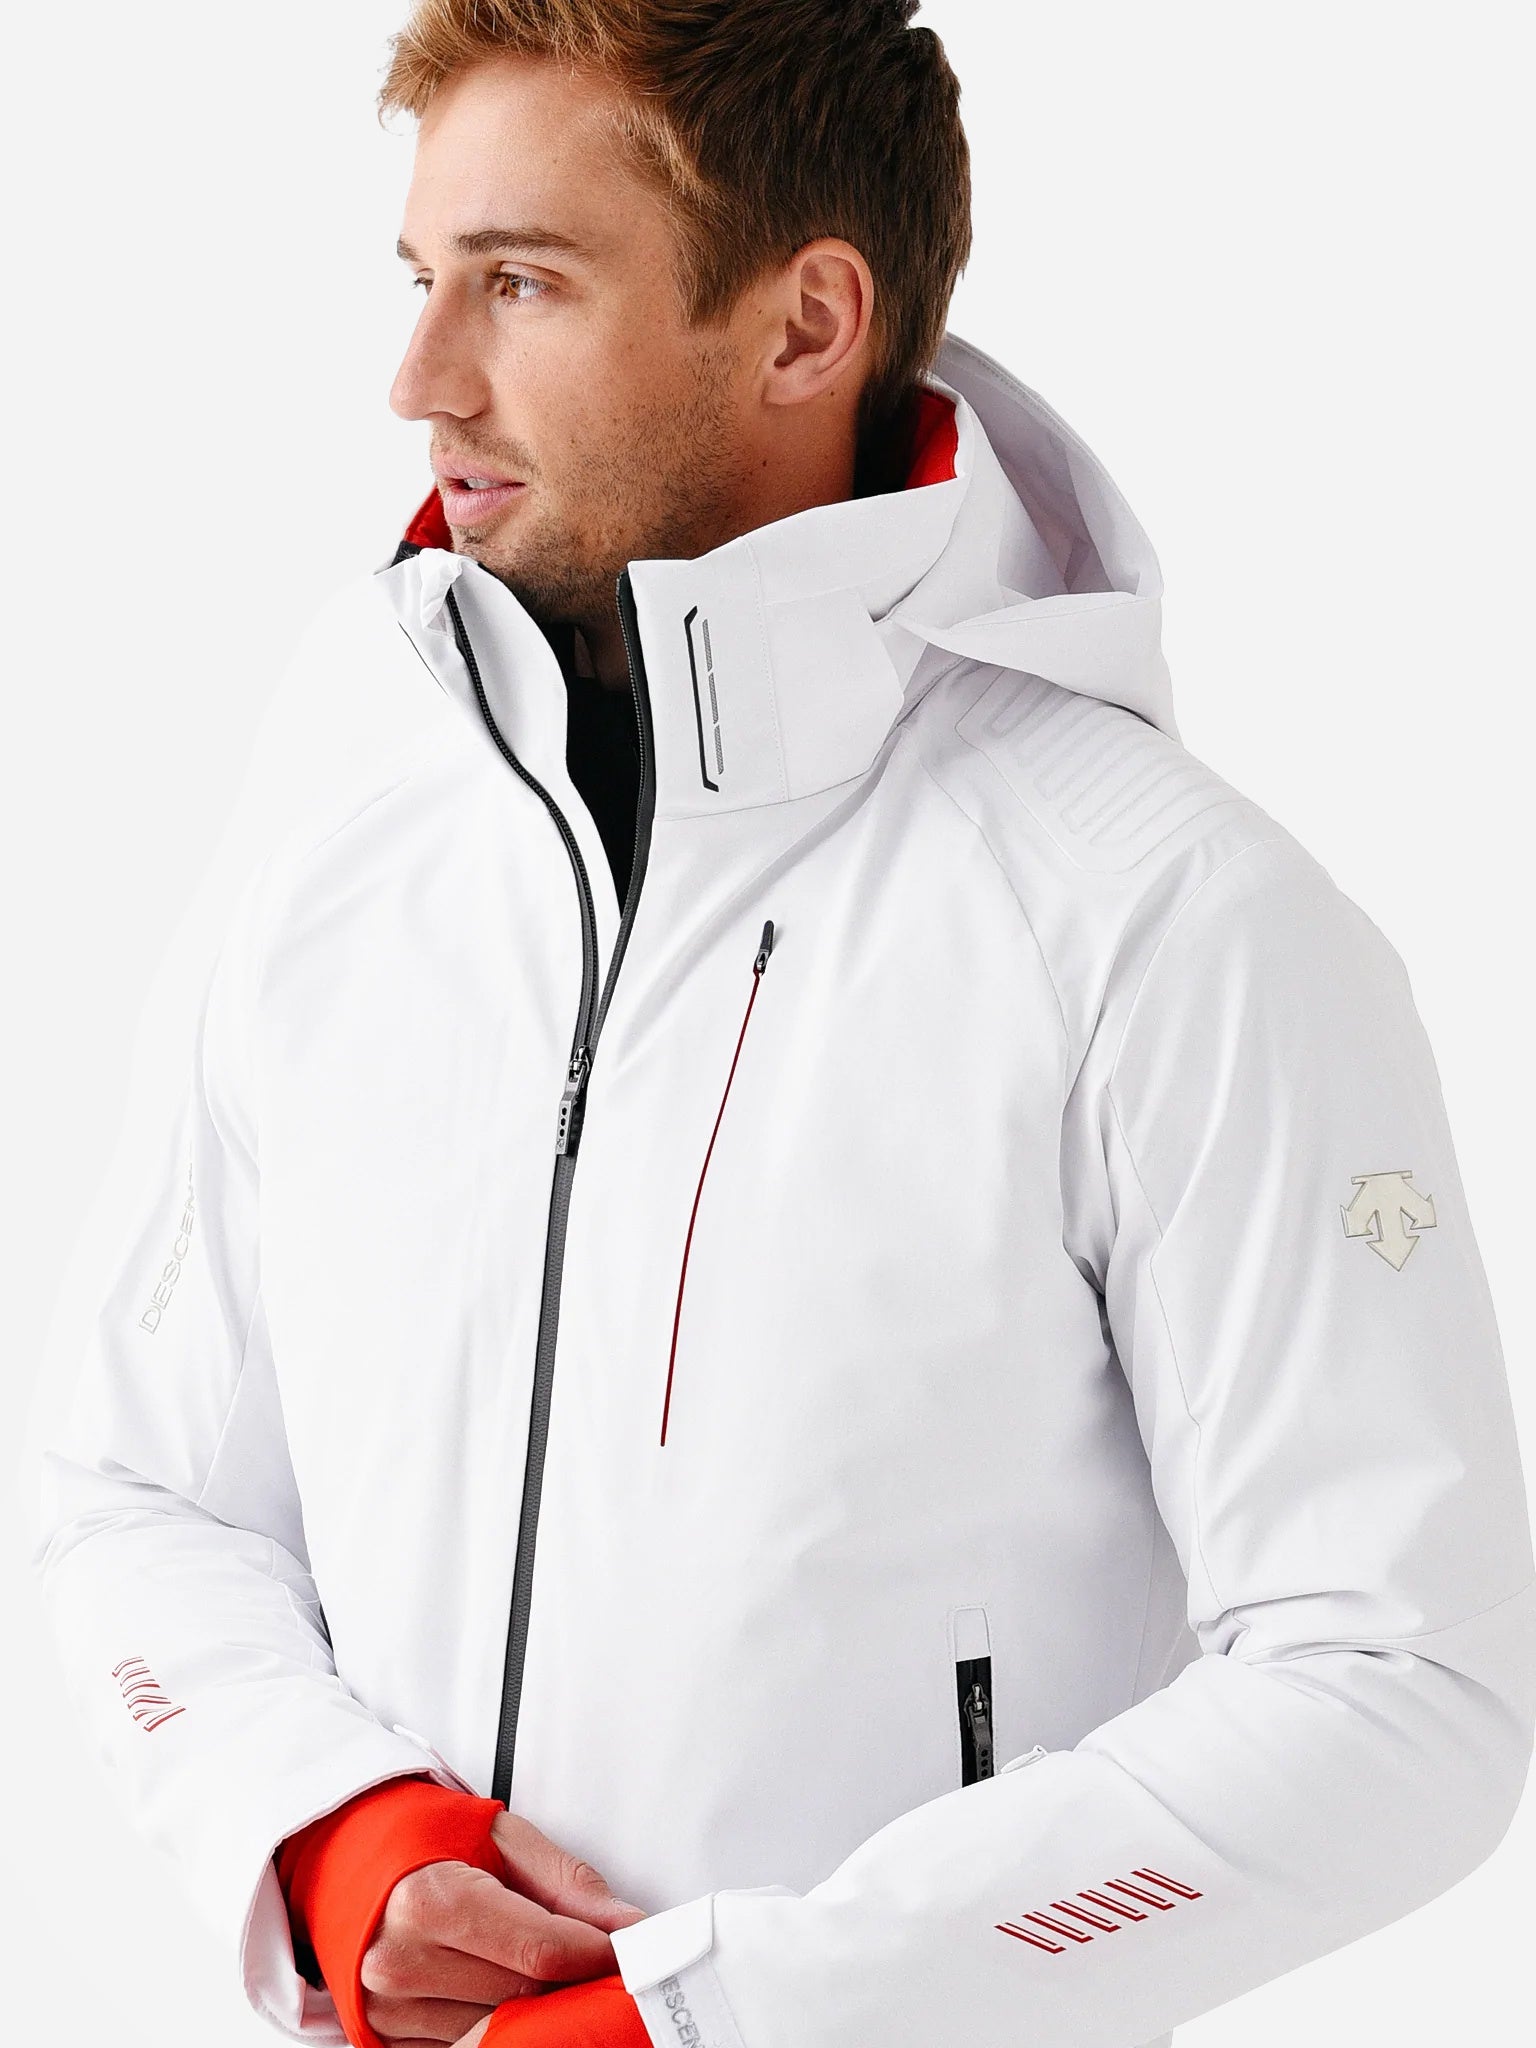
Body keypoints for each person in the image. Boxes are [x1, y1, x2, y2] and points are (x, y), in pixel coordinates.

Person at [31, 4, 1536, 2047]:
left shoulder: (1162, 920)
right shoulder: (347, 888)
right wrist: (328, 1826)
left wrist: (731, 2009)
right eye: (423, 278)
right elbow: (142, 1491)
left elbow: (1401, 1681)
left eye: (521, 283)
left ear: (806, 323)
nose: (422, 378)